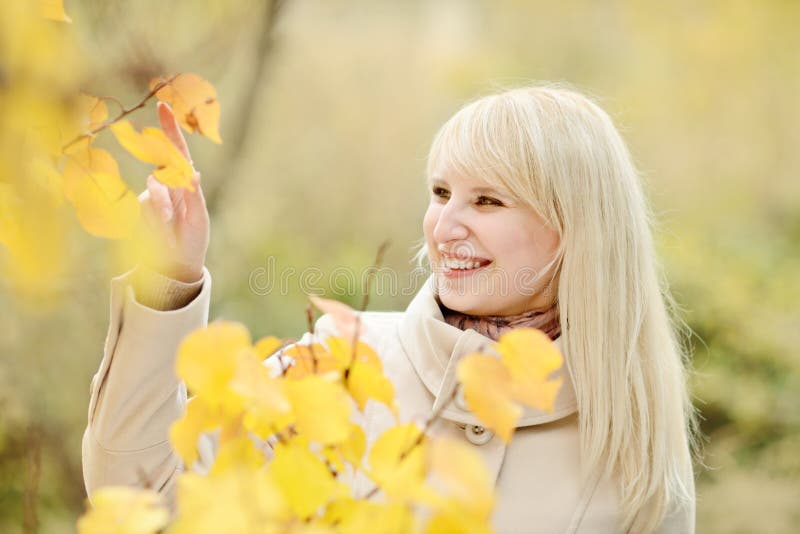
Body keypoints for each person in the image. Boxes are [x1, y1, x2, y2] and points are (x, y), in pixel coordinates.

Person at [82, 86, 698, 533]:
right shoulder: (340, 364)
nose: (444, 227)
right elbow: (146, 499)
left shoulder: (634, 442)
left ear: (575, 228)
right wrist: (169, 279)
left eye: (487, 200)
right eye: (441, 192)